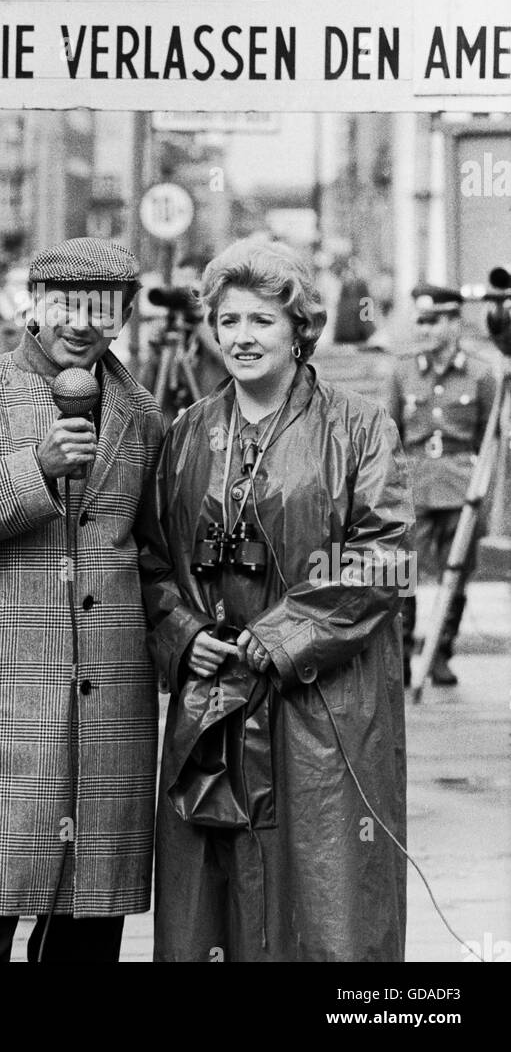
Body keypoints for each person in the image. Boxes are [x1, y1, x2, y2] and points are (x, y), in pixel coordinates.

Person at [137, 238, 414, 963]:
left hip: (322, 714)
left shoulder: (357, 427)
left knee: (328, 912)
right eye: (228, 321)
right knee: (209, 916)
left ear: (298, 330)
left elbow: (383, 559)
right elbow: (151, 560)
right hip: (212, 711)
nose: (242, 338)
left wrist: (286, 633)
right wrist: (180, 631)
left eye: (261, 320)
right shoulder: (186, 434)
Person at [0, 238, 163, 963]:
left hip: (106, 719)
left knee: (84, 938)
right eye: (65, 306)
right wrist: (32, 471)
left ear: (124, 317)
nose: (81, 324)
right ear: (33, 304)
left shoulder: (142, 415)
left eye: (101, 310)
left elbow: (153, 556)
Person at [388, 284, 497, 686]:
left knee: (456, 573)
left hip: (460, 487)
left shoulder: (481, 373)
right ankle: (399, 656)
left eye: (433, 321)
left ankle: (439, 653)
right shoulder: (402, 371)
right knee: (401, 572)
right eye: (421, 320)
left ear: (454, 323)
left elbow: (489, 439)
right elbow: (390, 433)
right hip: (413, 485)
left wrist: (482, 492)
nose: (425, 328)